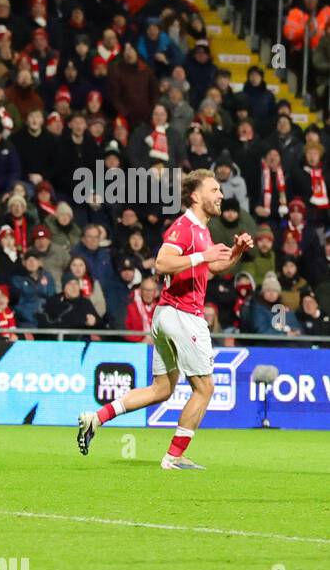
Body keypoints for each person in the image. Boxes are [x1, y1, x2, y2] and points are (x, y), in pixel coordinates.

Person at [78, 169, 253, 469]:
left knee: (162, 389)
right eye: (214, 190)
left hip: (167, 315)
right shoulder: (185, 226)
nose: (220, 195)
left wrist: (235, 253)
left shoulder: (202, 229)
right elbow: (162, 262)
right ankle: (174, 456)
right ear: (196, 195)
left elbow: (210, 268)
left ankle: (96, 418)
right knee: (205, 388)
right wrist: (202, 256)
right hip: (182, 314)